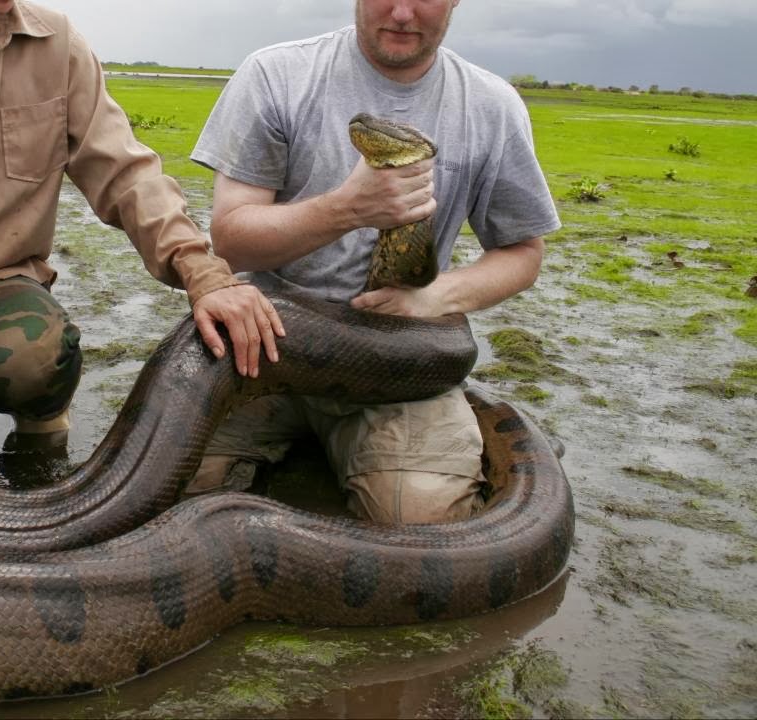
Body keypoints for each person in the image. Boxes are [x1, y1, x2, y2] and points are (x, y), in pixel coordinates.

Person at [0, 0, 285, 503]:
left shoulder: (56, 42)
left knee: (36, 362)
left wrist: (204, 273)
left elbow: (127, 176)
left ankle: (37, 413)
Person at [185, 0, 561, 523]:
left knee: (422, 524)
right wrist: (347, 209)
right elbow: (230, 240)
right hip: (267, 342)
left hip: (397, 356)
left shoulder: (491, 105)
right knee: (176, 487)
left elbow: (523, 252)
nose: (402, 12)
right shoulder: (277, 74)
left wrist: (436, 297)